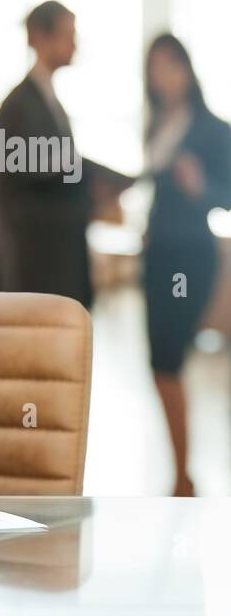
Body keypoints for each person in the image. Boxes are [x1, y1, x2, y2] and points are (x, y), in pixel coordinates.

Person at [0, 0, 123, 309]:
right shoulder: (20, 105)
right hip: (36, 265)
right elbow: (19, 187)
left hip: (55, 257)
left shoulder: (46, 99)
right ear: (40, 36)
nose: (75, 44)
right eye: (67, 34)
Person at [140, 34, 231, 497]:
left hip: (190, 258)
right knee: (159, 362)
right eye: (154, 67)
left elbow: (228, 196)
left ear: (186, 68)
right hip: (156, 256)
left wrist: (200, 188)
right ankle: (182, 471)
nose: (162, 75)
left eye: (169, 65)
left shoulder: (214, 129)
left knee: (170, 359)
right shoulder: (156, 124)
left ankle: (182, 475)